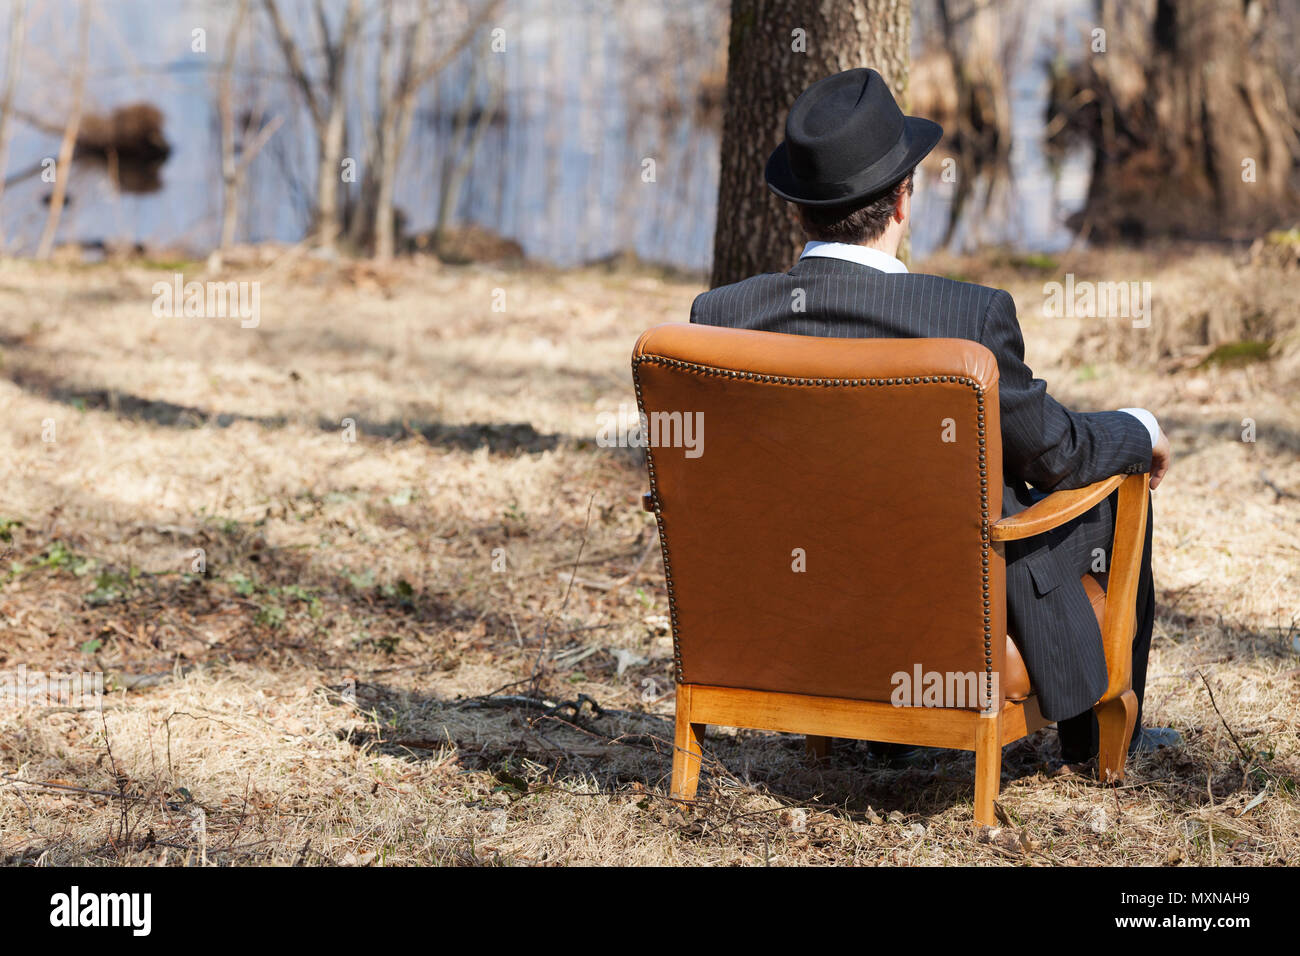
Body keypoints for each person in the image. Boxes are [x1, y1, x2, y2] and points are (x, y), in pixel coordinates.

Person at [690, 68, 1180, 764]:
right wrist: (1139, 428)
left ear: (797, 210)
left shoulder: (721, 319)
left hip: (796, 615)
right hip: (944, 618)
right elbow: (1059, 456)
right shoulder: (962, 320)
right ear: (901, 202)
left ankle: (875, 731)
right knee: (1109, 496)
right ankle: (1101, 740)